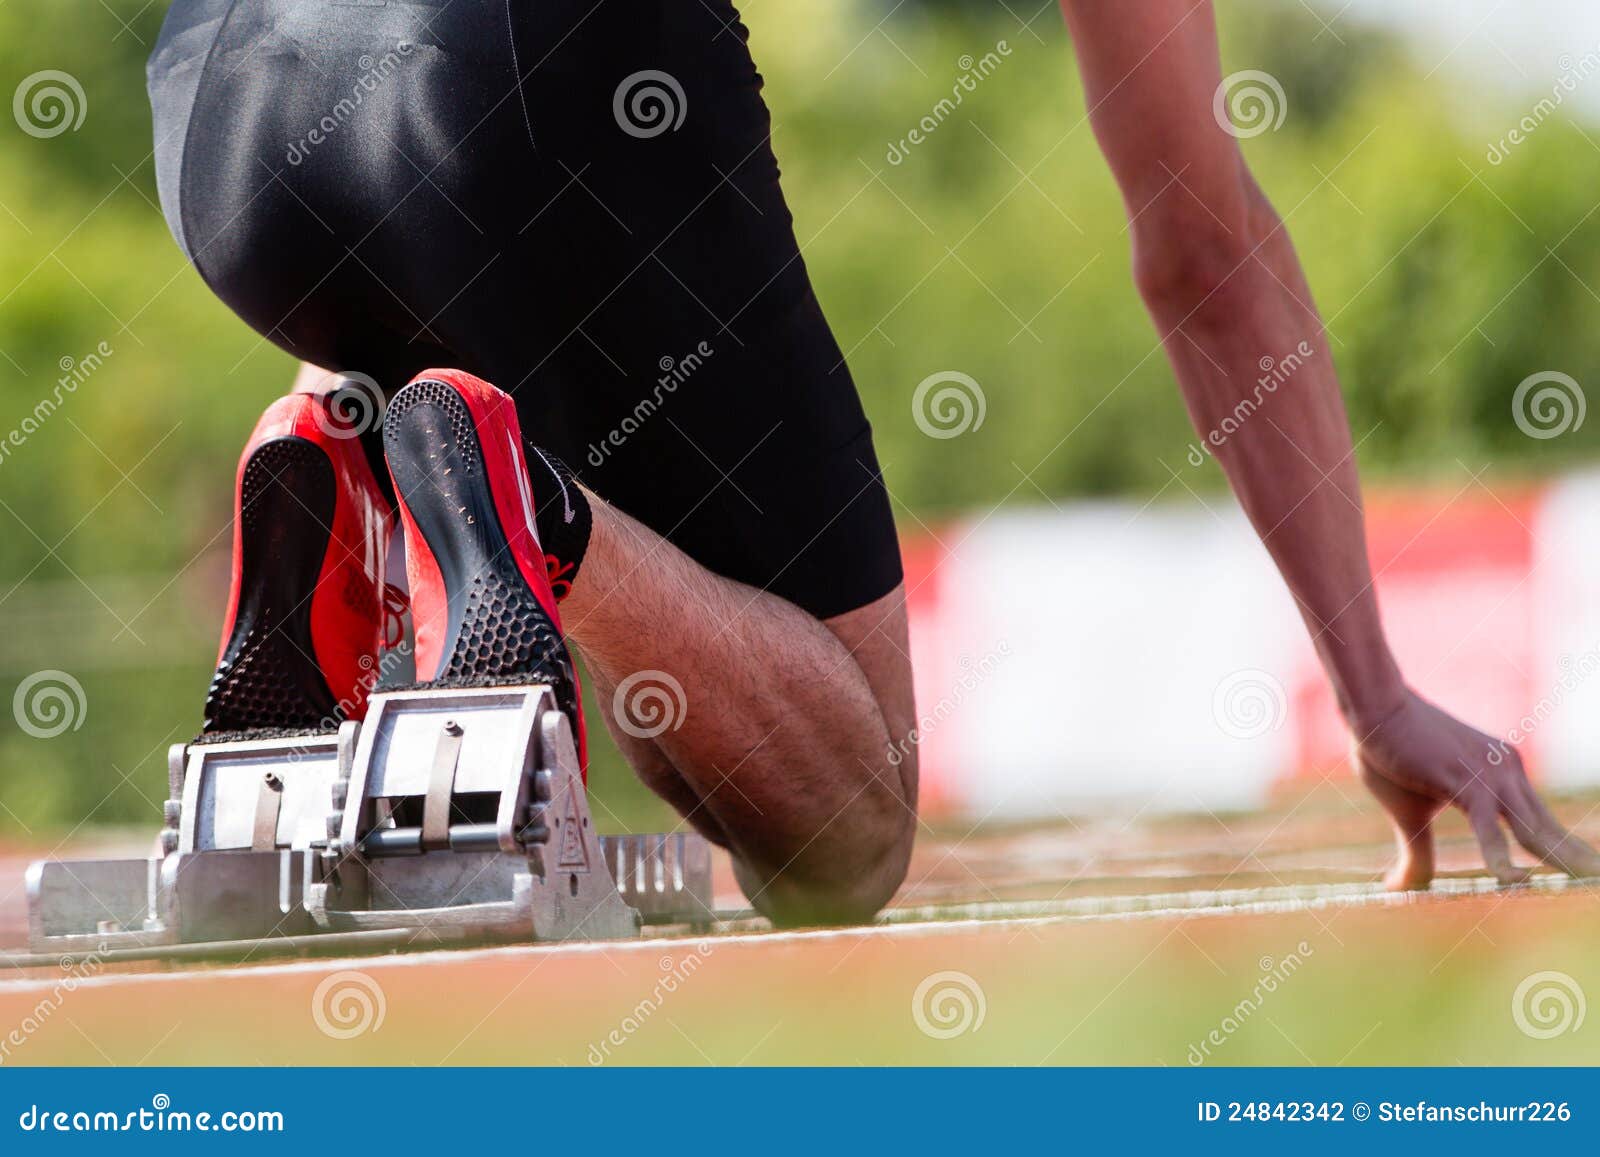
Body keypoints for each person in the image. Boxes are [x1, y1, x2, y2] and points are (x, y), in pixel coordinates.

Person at [145, 0, 1597, 929]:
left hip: (217, 110)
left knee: (497, 397)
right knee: (844, 831)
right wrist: (1373, 686)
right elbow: (1205, 253)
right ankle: (517, 497)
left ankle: (351, 429)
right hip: (526, 72)